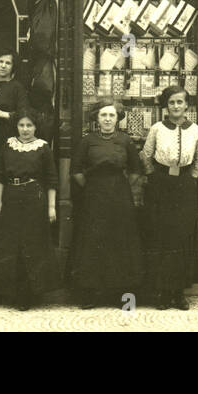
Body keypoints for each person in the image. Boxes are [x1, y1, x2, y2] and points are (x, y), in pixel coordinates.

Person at [0, 114, 58, 310]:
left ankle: (25, 295)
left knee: (30, 244)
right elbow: (0, 175)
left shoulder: (43, 148)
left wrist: (51, 207)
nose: (25, 129)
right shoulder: (8, 145)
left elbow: (52, 179)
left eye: (29, 125)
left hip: (34, 197)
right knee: (2, 244)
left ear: (36, 127)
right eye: (21, 125)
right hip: (10, 196)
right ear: (16, 126)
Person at [67, 102, 144, 308]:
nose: (108, 119)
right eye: (103, 115)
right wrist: (92, 186)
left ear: (117, 118)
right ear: (97, 118)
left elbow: (136, 170)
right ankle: (91, 293)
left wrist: (122, 187)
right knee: (93, 241)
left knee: (120, 242)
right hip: (94, 197)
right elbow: (75, 170)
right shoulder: (87, 141)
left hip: (119, 196)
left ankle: (121, 295)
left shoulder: (125, 140)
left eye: (111, 115)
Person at [141, 86, 198, 310]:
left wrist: (189, 180)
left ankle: (179, 292)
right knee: (162, 236)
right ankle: (162, 292)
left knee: (182, 237)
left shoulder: (196, 130)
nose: (176, 106)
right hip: (161, 185)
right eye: (172, 103)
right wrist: (156, 178)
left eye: (180, 102)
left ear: (187, 105)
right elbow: (146, 156)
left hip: (185, 186)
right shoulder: (157, 129)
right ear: (165, 106)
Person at [0, 49, 29, 155]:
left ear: (13, 67)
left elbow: (24, 114)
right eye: (0, 61)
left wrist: (1, 114)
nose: (3, 66)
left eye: (8, 63)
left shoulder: (17, 87)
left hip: (8, 135)